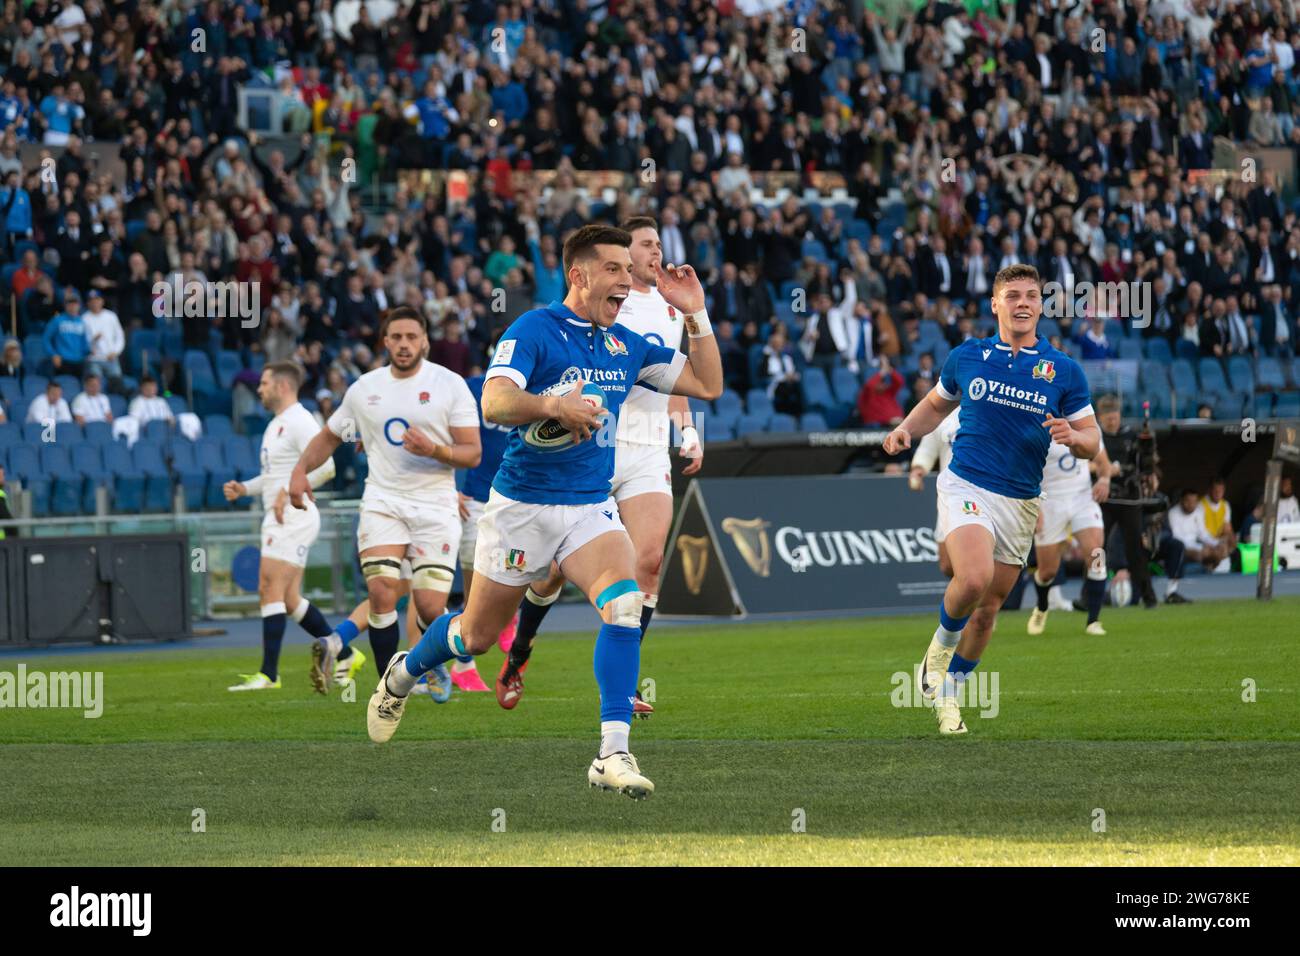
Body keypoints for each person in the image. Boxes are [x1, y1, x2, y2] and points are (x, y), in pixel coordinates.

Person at [344, 224, 721, 800]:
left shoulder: (626, 344)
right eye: (615, 269)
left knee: (625, 605)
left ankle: (611, 753)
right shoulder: (534, 329)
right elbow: (494, 401)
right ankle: (404, 672)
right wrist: (553, 406)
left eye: (629, 269)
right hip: (521, 508)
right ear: (579, 275)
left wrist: (695, 314)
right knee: (474, 636)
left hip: (589, 506)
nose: (628, 280)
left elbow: (707, 384)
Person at [493, 218, 705, 716]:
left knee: (648, 560)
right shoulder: (606, 301)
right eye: (645, 246)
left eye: (658, 244)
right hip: (594, 440)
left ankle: (625, 683)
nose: (655, 254)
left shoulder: (673, 306)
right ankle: (520, 649)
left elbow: (674, 378)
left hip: (647, 446)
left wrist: (688, 430)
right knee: (550, 573)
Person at [883, 264, 1099, 735]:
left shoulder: (1064, 370)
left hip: (1020, 500)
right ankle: (937, 653)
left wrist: (1074, 437)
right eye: (1013, 295)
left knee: (986, 614)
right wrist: (905, 429)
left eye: (1031, 296)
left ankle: (949, 697)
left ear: (1040, 305)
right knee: (974, 577)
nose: (1023, 303)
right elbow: (937, 404)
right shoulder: (968, 356)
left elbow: (1092, 440)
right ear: (996, 304)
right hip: (966, 483)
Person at [291, 305, 481, 695]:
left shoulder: (450, 385)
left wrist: (434, 449)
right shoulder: (365, 389)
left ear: (425, 341)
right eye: (396, 337)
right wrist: (299, 472)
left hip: (434, 504)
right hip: (383, 501)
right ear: (385, 342)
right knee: (381, 592)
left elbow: (472, 452)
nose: (404, 344)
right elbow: (330, 436)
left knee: (430, 607)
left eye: (412, 337)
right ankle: (388, 691)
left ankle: (431, 663)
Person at [222, 362, 338, 691]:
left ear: (283, 386)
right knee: (288, 599)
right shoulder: (276, 424)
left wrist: (288, 491)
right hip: (281, 513)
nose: (259, 389)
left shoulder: (301, 420)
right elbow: (273, 477)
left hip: (293, 512)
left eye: (264, 383)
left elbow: (327, 467)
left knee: (268, 587)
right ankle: (343, 653)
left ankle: (269, 675)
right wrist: (245, 488)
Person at [1027, 438, 1114, 636]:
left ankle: (1094, 621)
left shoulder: (1085, 425)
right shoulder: (1037, 428)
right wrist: (1034, 506)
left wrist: (1104, 480)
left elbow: (1103, 462)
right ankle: (1042, 607)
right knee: (1047, 572)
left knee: (1097, 555)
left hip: (1083, 499)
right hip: (1049, 502)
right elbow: (1024, 471)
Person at [907, 408, 960, 576]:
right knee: (947, 565)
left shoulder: (988, 408)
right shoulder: (943, 412)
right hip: (949, 496)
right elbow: (927, 448)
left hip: (983, 494)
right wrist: (919, 468)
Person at [1168, 488, 1233, 571]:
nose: (1191, 504)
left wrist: (1217, 543)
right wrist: (1200, 548)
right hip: (1182, 547)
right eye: (1188, 501)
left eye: (1194, 501)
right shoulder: (1173, 513)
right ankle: (1210, 566)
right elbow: (1177, 538)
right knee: (1203, 553)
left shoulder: (1198, 511)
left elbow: (1203, 534)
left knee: (1221, 549)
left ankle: (1216, 571)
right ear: (1181, 500)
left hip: (1197, 545)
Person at [41, 289, 90, 378]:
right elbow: (46, 339)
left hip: (79, 361)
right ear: (65, 305)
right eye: (69, 304)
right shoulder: (57, 320)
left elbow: (84, 342)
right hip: (63, 360)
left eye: (75, 304)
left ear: (79, 306)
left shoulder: (82, 322)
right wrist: (53, 354)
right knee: (64, 384)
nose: (72, 307)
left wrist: (87, 352)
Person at [82, 288, 125, 387]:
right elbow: (82, 342)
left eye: (97, 299)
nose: (94, 303)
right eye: (91, 300)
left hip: (110, 357)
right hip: (93, 359)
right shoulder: (84, 318)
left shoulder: (111, 316)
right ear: (88, 303)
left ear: (102, 301)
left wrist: (115, 352)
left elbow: (120, 337)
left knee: (117, 384)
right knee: (95, 386)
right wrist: (92, 341)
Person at [858, 355, 905, 426]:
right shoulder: (868, 393)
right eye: (879, 382)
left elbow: (900, 381)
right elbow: (869, 385)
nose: (883, 385)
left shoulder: (889, 392)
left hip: (896, 422)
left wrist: (889, 369)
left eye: (883, 382)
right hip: (879, 424)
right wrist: (882, 372)